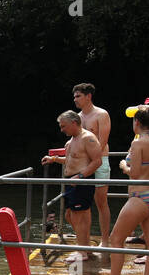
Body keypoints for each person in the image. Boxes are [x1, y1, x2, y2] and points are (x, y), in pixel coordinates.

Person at [93, 105, 149, 275]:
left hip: (140, 196)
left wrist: (123, 166)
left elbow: (134, 174)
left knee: (116, 239)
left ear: (137, 122)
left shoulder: (137, 143)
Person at [41, 110, 103, 262]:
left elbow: (97, 161)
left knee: (78, 217)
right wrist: (54, 159)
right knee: (71, 216)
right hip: (72, 182)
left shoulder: (88, 138)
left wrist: (81, 176)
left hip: (82, 182)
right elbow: (71, 160)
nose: (62, 130)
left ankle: (81, 251)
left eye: (64, 126)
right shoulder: (71, 141)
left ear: (74, 123)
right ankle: (85, 246)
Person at [73, 83, 113, 243]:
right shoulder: (77, 117)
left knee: (101, 201)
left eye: (78, 96)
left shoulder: (101, 114)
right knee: (82, 204)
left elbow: (102, 141)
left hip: (100, 160)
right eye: (74, 96)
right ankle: (84, 241)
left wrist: (92, 161)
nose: (75, 99)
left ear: (88, 96)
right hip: (82, 162)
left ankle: (105, 240)